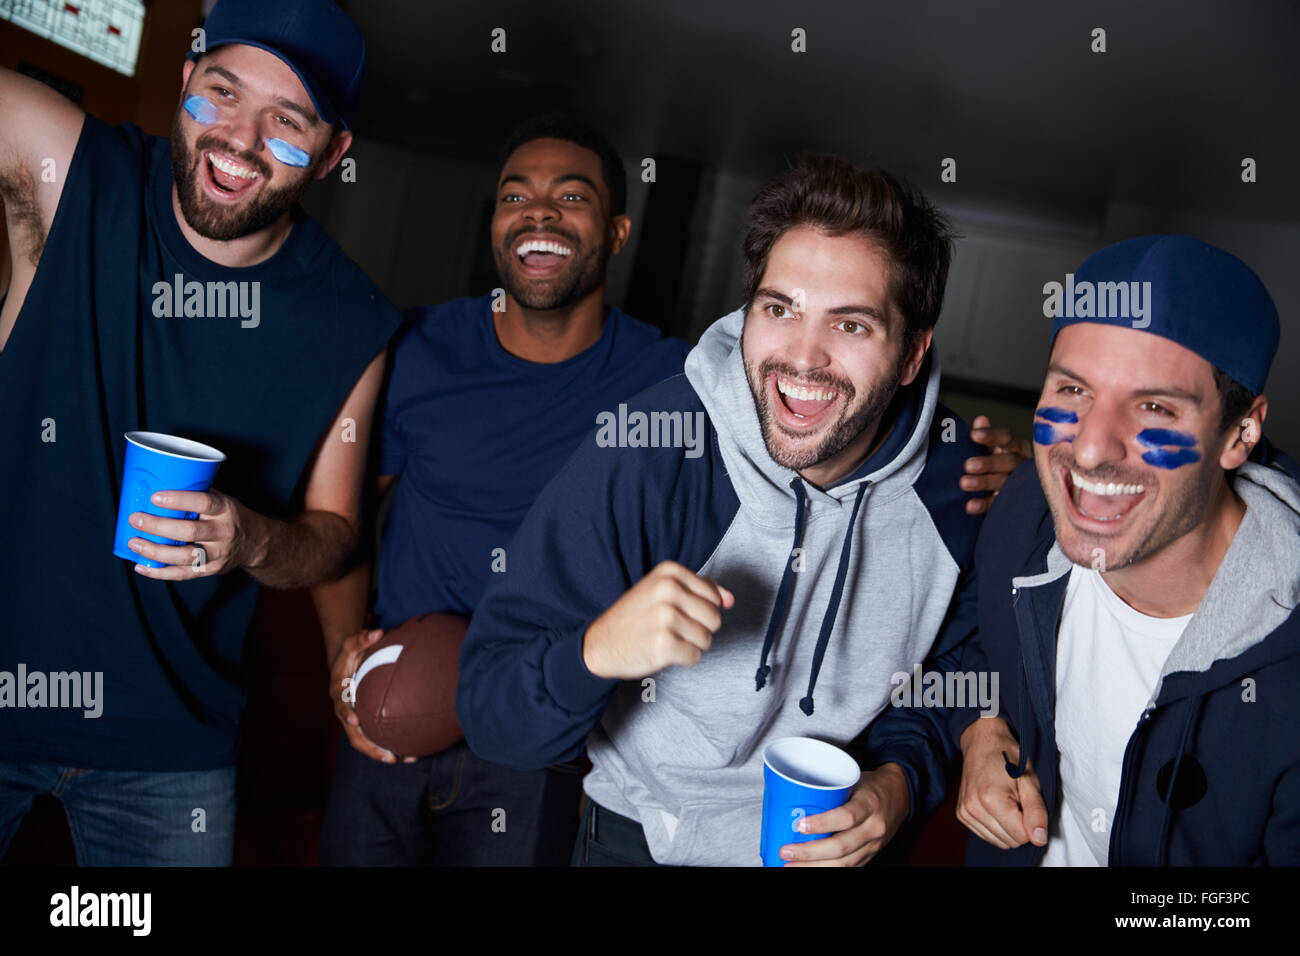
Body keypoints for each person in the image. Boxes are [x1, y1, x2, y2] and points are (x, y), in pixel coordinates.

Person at [458, 154, 1004, 866]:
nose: (802, 359)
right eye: (780, 310)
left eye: (852, 325)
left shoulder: (961, 485)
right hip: (634, 841)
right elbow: (492, 713)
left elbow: (954, 673)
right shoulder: (651, 452)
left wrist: (898, 784)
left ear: (911, 355)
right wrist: (596, 653)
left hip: (833, 849)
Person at [0, 0, 401, 866]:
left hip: (170, 748)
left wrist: (251, 537)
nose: (239, 138)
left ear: (333, 153)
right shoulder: (76, 173)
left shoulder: (353, 323)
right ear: (184, 81)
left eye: (285, 121)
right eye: (221, 91)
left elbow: (333, 538)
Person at [953, 235, 1300, 865]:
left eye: (1154, 407)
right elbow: (977, 641)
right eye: (1073, 391)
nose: (1089, 449)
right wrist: (980, 728)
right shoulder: (1026, 509)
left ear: (1240, 433)